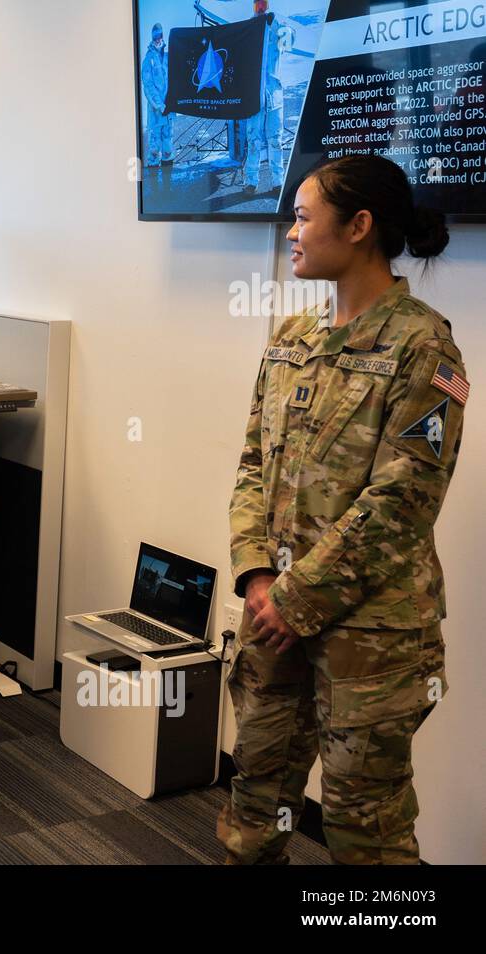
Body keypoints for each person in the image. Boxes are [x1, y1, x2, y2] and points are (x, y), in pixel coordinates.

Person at [220, 154, 468, 863]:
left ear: (359, 226)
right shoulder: (291, 339)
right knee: (254, 806)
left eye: (302, 217)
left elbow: (403, 502)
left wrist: (295, 597)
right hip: (272, 618)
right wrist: (257, 577)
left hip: (371, 641)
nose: (290, 234)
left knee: (367, 834)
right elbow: (250, 469)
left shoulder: (424, 347)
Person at [238, 1, 295, 192]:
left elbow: (289, 42)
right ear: (253, 6)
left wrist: (277, 26)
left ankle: (278, 181)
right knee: (253, 139)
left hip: (274, 94)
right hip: (254, 95)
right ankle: (251, 181)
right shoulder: (247, 29)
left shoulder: (277, 26)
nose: (260, 8)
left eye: (263, 3)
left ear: (267, 5)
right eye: (257, 5)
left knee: (275, 139)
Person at [141, 23, 173, 167]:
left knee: (168, 143)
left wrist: (171, 102)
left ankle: (168, 180)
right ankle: (153, 183)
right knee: (154, 146)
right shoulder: (148, 60)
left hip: (168, 109)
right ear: (152, 37)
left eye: (159, 35)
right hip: (156, 110)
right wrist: (160, 105)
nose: (158, 39)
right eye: (155, 36)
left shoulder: (167, 58)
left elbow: (174, 79)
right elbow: (148, 86)